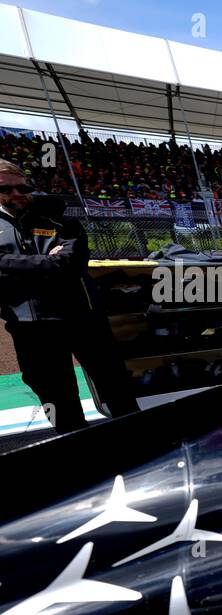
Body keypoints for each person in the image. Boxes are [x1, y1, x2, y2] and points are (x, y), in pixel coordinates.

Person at [0, 160, 138, 433]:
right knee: (57, 401)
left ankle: (142, 446)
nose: (18, 193)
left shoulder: (59, 219)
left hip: (83, 317)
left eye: (23, 187)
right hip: (30, 327)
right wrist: (43, 262)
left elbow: (67, 264)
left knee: (117, 388)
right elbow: (52, 265)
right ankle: (78, 458)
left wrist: (7, 263)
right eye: (6, 188)